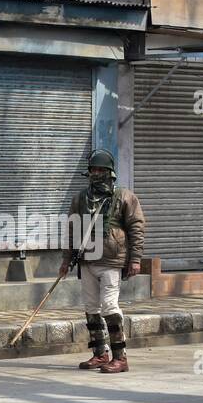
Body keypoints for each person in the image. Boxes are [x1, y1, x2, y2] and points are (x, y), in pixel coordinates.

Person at [61, 149, 146, 374]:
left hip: (111, 261)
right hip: (87, 260)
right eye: (93, 170)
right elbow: (71, 230)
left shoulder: (125, 197)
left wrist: (135, 259)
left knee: (109, 306)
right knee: (91, 308)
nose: (97, 173)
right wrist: (66, 260)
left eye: (101, 170)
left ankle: (120, 357)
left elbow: (136, 229)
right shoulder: (80, 199)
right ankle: (100, 354)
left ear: (110, 173)